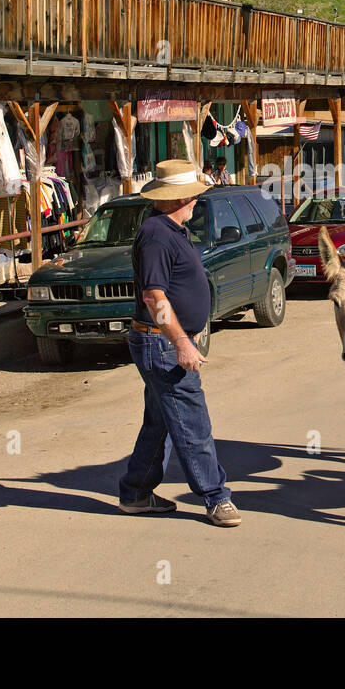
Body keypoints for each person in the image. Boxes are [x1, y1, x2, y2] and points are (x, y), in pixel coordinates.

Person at [118, 159, 241, 528]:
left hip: (164, 341)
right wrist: (181, 342)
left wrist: (191, 328)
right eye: (194, 196)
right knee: (192, 422)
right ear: (181, 197)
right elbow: (155, 296)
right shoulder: (157, 233)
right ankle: (216, 497)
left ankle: (136, 492)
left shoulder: (171, 229)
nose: (197, 201)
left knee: (160, 423)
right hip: (162, 345)